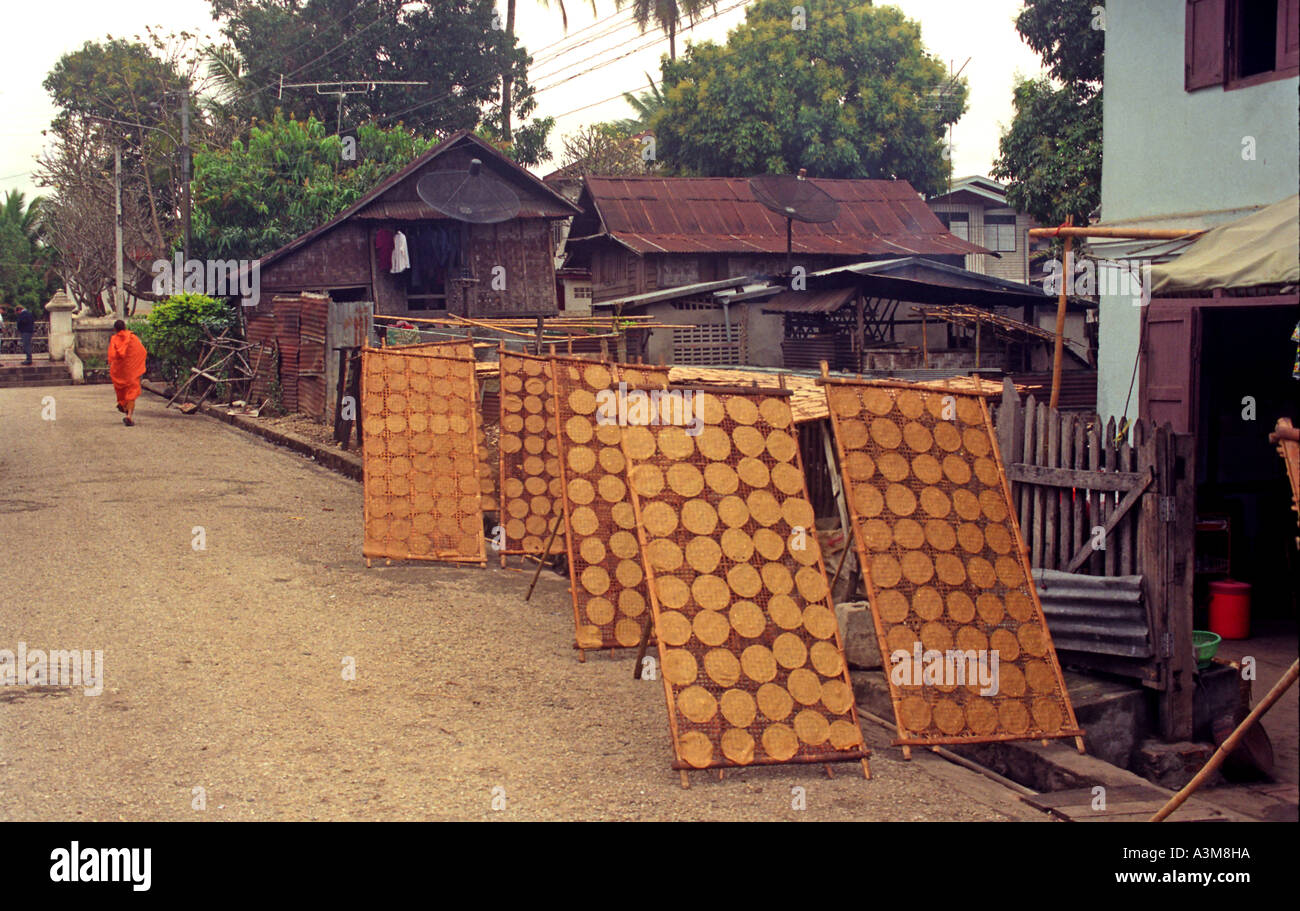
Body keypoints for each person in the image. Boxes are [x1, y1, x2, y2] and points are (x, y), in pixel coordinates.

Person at [107, 319, 148, 426]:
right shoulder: (132, 338)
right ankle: (129, 415)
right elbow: (142, 351)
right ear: (125, 327)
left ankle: (123, 406)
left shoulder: (114, 339)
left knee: (122, 391)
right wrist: (136, 363)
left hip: (119, 371)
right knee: (131, 393)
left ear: (115, 329)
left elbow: (112, 356)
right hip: (131, 371)